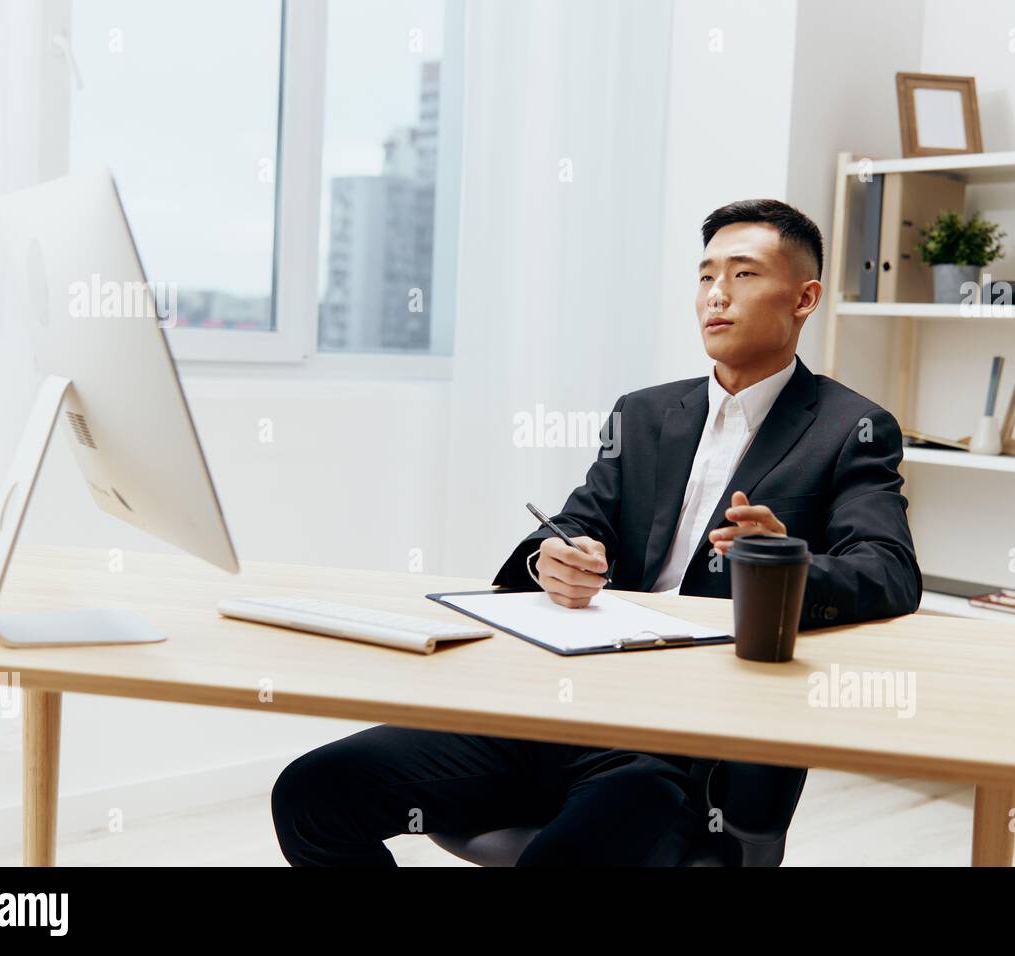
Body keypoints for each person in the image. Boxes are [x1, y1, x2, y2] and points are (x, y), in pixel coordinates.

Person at [271, 199, 922, 866]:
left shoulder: (850, 429)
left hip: (680, 749)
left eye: (745, 275)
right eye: (704, 276)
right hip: (557, 705)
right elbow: (578, 522)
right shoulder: (642, 414)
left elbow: (892, 574)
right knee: (313, 792)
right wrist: (552, 557)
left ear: (805, 298)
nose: (716, 295)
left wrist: (780, 562)